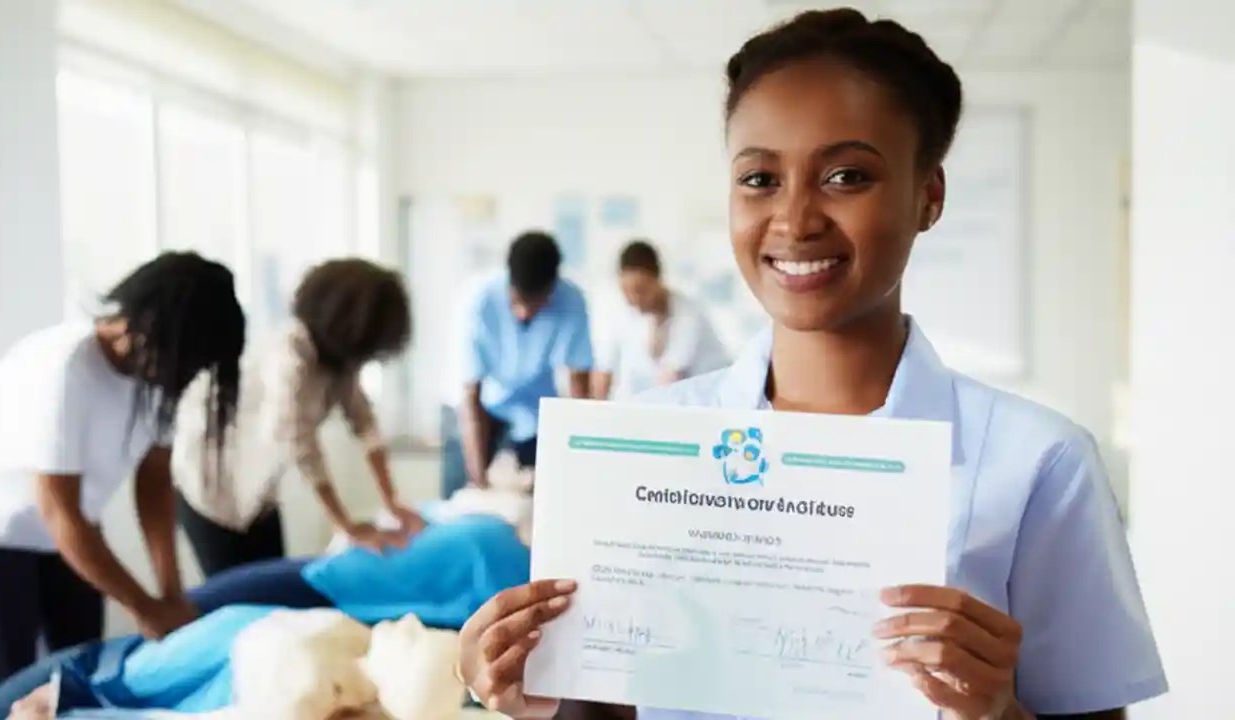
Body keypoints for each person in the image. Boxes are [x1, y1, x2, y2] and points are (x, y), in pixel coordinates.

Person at [453, 8, 1168, 720]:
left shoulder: (1039, 462)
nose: (795, 221)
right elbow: (610, 711)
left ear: (928, 195)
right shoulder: (643, 442)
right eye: (760, 179)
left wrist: (998, 713)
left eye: (847, 176)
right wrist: (525, 690)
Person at [0, 252, 246, 711]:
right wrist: (145, 607)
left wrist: (170, 591)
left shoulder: (160, 380)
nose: (185, 375)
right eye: (185, 360)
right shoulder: (64, 368)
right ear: (149, 327)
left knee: (78, 683)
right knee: (0, 700)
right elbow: (59, 510)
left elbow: (153, 483)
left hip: (71, 532)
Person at [0, 512, 532, 720]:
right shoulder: (322, 659)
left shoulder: (496, 544)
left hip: (299, 606)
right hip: (287, 619)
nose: (408, 624)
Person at [173, 258, 424, 578]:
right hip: (208, 484)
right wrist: (346, 525)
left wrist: (392, 502)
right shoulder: (289, 353)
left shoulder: (340, 360)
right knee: (238, 588)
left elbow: (365, 424)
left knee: (270, 585)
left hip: (258, 493)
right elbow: (299, 441)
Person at [441, 231, 594, 499]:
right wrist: (479, 481)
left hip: (536, 411)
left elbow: (579, 389)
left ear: (552, 289)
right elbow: (471, 396)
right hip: (482, 409)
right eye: (519, 302)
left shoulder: (571, 300)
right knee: (466, 495)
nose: (524, 313)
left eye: (536, 306)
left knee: (544, 496)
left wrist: (581, 460)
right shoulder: (479, 301)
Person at [592, 240, 730, 400]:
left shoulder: (688, 315)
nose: (633, 299)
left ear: (658, 281)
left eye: (640, 290)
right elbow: (604, 371)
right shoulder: (623, 313)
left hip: (709, 397)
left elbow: (672, 379)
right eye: (626, 290)